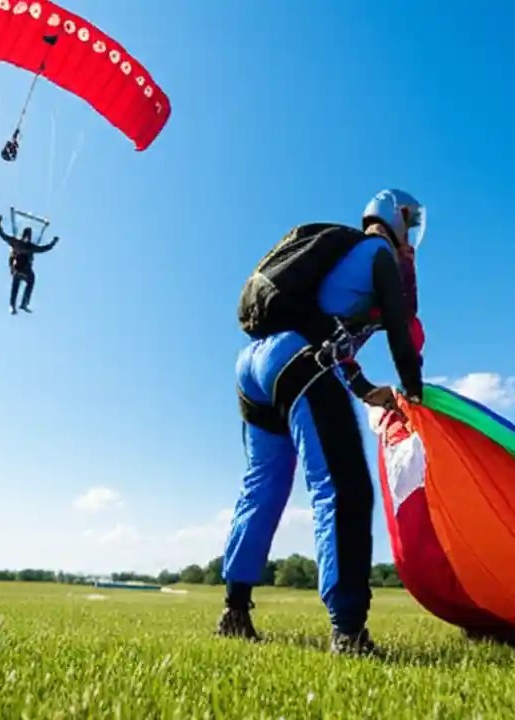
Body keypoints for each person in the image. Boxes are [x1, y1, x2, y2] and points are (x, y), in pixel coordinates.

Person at [218, 189, 427, 656]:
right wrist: (416, 392)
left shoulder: (340, 260)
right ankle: (348, 632)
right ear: (396, 217)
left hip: (254, 366)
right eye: (408, 227)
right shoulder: (377, 253)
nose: (409, 238)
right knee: (343, 485)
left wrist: (362, 387)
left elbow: (329, 342)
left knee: (263, 486)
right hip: (296, 359)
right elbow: (399, 327)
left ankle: (235, 610)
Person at [0, 214, 58, 314]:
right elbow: (1, 234)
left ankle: (24, 303)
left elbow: (43, 249)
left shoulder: (30, 247)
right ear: (23, 236)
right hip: (17, 268)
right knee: (16, 284)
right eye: (26, 237)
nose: (27, 239)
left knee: (31, 280)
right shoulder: (16, 242)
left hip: (26, 270)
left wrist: (53, 242)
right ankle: (12, 305)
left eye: (28, 237)